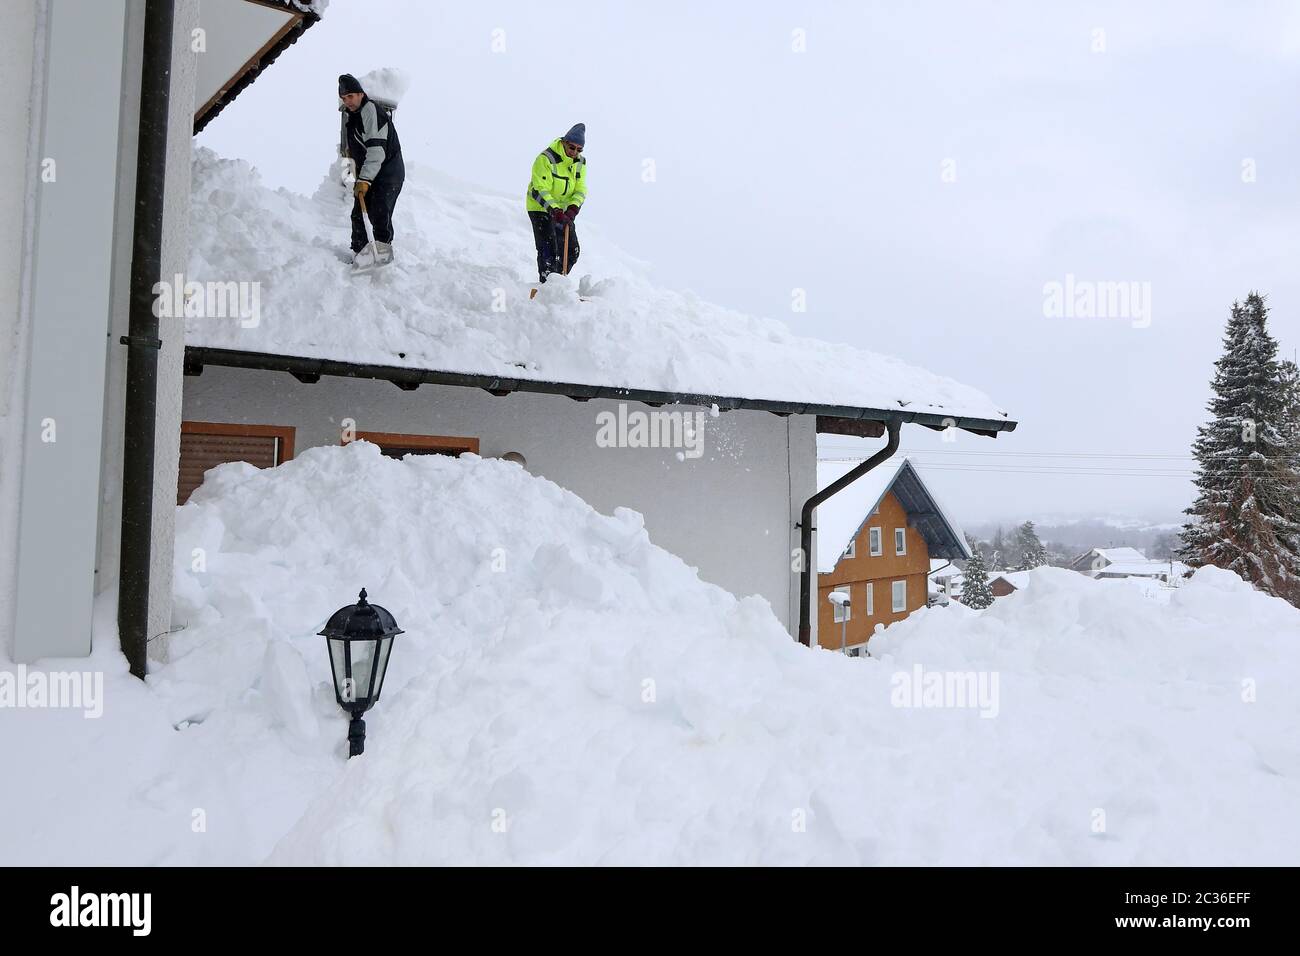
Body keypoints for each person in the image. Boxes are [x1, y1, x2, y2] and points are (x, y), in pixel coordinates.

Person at [339, 73, 405, 267]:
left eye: (351, 96)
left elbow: (376, 152)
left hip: (388, 173)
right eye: (344, 98)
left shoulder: (370, 111)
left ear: (361, 94)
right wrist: (357, 177)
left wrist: (364, 180)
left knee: (379, 214)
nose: (348, 101)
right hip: (370, 175)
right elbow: (355, 153)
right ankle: (360, 258)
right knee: (359, 214)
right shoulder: (353, 119)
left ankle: (382, 263)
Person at [525, 123, 587, 283]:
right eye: (572, 147)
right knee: (548, 250)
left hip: (564, 213)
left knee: (572, 251)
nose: (574, 152)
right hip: (540, 208)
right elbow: (540, 189)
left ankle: (557, 285)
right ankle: (547, 284)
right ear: (564, 142)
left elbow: (581, 189)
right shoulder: (546, 159)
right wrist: (555, 211)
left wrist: (573, 209)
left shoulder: (580, 163)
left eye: (579, 150)